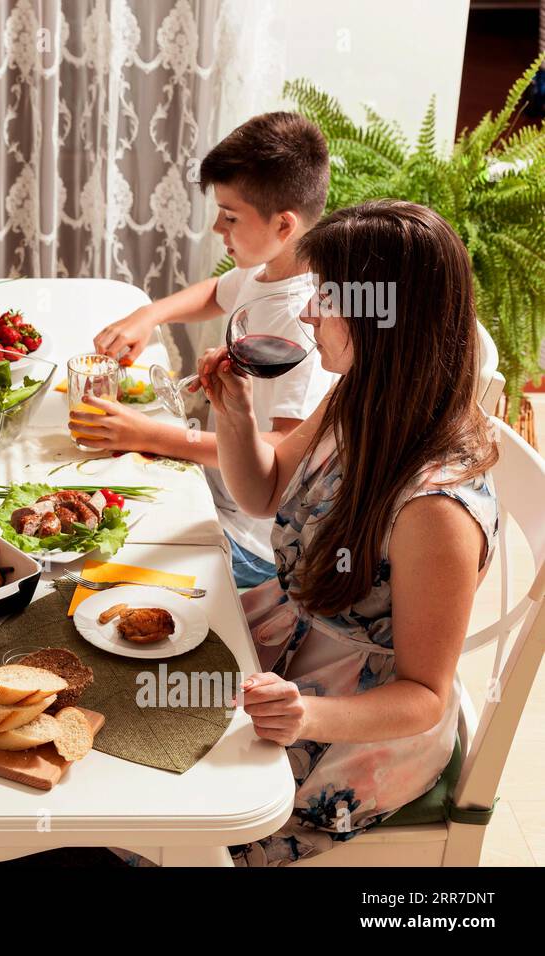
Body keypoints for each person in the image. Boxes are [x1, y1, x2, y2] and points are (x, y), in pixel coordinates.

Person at [199, 200, 499, 865]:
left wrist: (307, 716)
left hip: (356, 726)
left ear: (383, 316)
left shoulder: (436, 512)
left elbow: (423, 695)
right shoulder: (359, 392)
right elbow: (264, 490)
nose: (308, 314)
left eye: (326, 298)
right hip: (283, 650)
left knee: (166, 818)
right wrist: (236, 417)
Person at [83, 112, 338, 587]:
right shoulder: (268, 268)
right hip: (214, 488)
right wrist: (149, 315)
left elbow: (282, 454)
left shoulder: (303, 320)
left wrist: (152, 437)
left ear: (284, 225)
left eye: (231, 216)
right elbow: (218, 291)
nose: (218, 228)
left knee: (93, 571)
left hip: (249, 540)